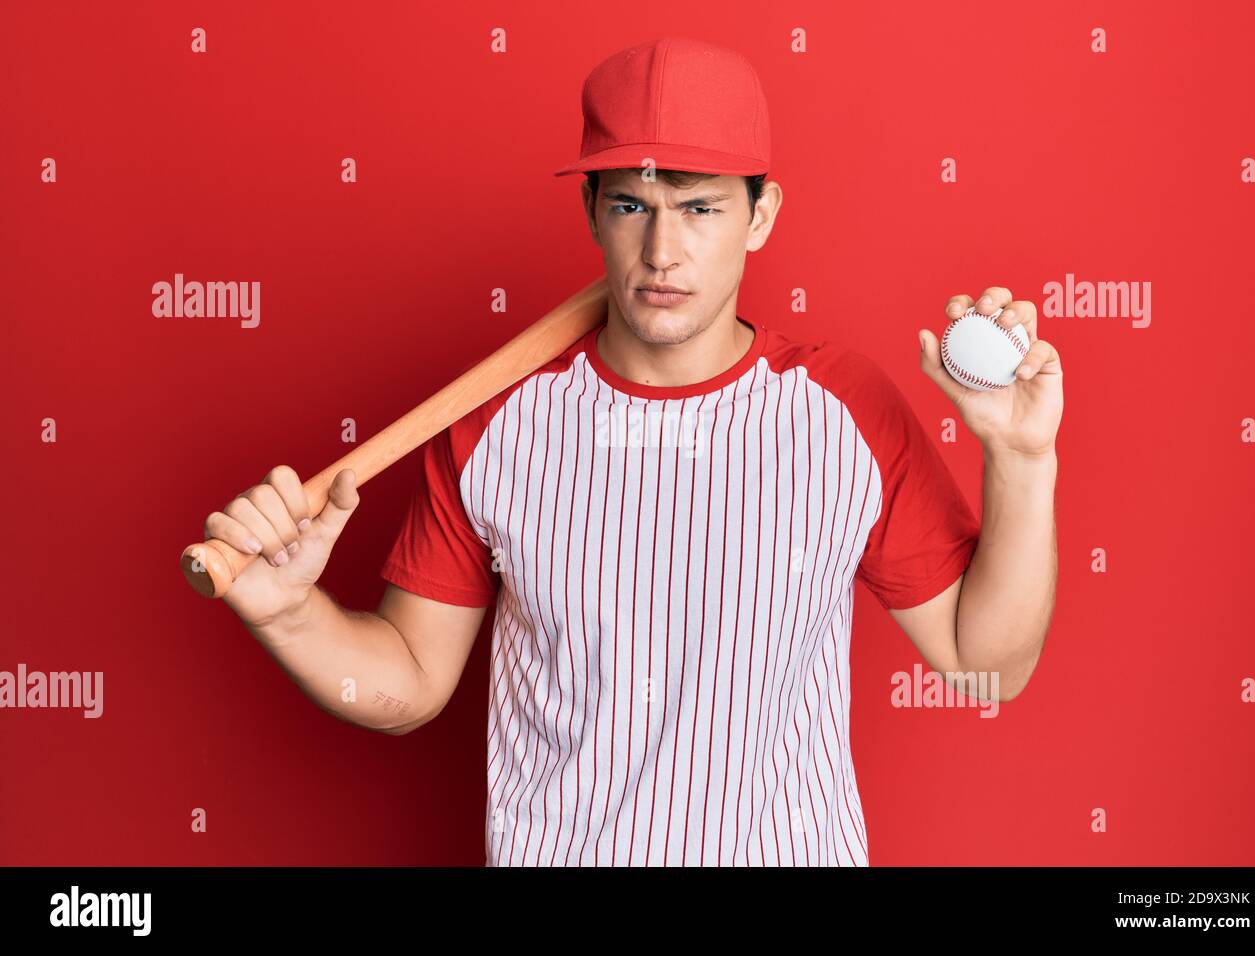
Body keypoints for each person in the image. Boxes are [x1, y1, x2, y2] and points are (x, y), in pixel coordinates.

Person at [201, 36, 1063, 867]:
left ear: (760, 216)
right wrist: (289, 613)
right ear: (590, 213)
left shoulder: (848, 412)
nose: (662, 251)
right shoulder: (493, 423)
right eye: (630, 205)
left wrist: (1022, 463)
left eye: (698, 207)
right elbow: (412, 684)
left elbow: (986, 665)